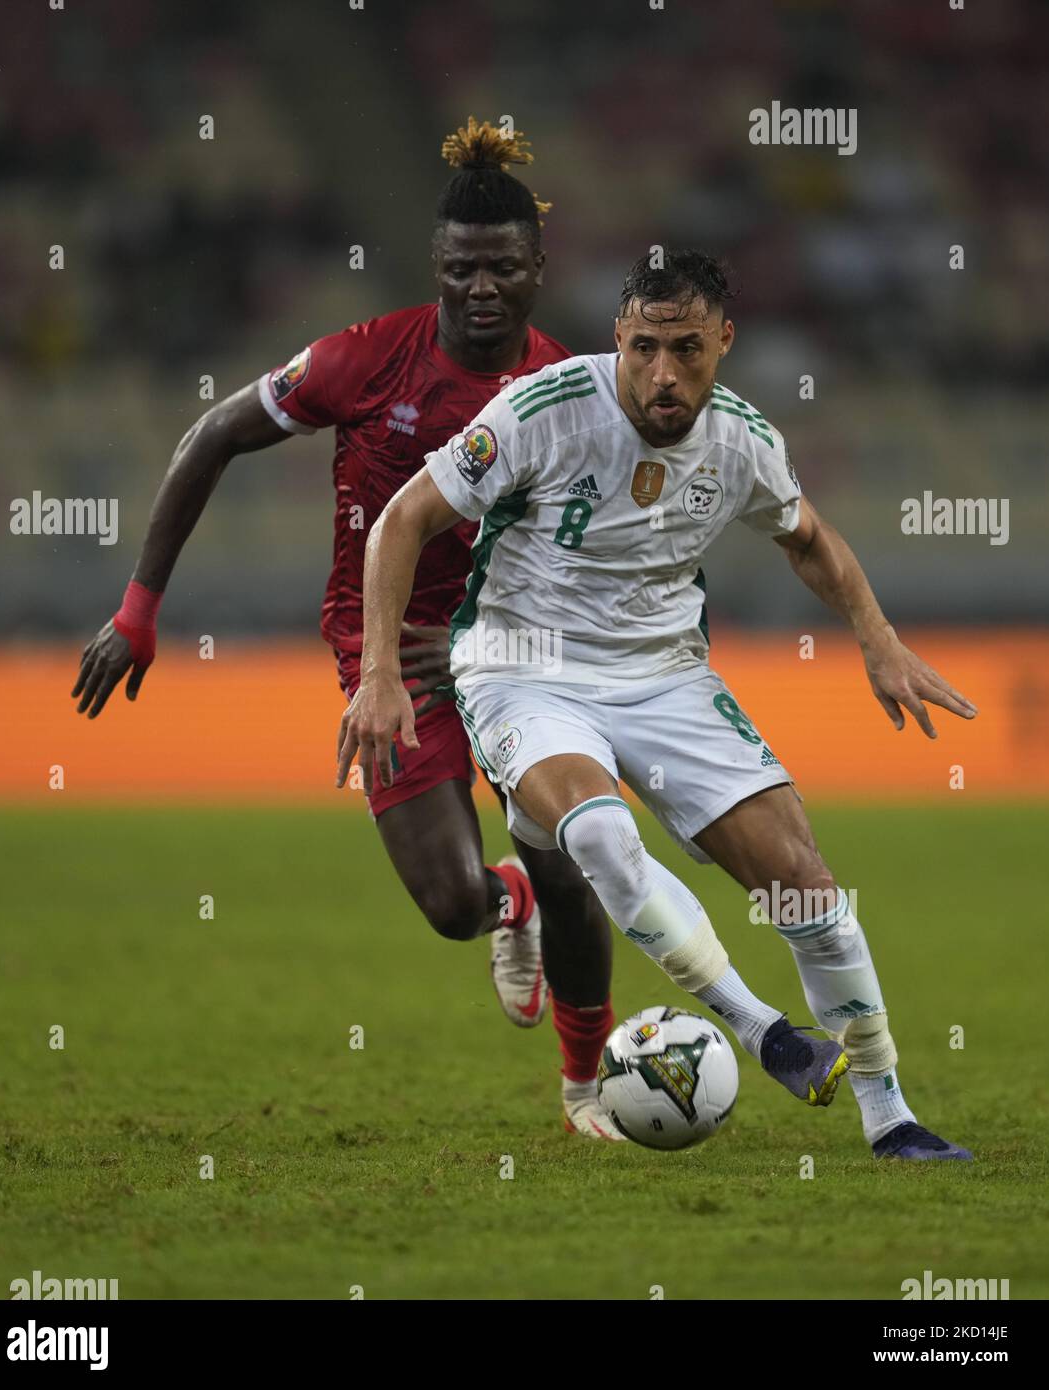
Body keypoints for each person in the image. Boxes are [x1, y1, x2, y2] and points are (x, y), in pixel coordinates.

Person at [338, 247, 976, 1159]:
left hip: (665, 676)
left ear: (724, 341)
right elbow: (404, 517)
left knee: (809, 894)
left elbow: (806, 537)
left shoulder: (743, 440)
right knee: (598, 833)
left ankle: (889, 1115)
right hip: (525, 668)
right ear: (618, 340)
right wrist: (378, 675)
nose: (661, 374)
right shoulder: (540, 411)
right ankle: (763, 1032)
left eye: (684, 349)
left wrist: (876, 640)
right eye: (642, 348)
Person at [71, 119, 619, 1139]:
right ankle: (508, 906)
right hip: (387, 660)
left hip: (520, 658)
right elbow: (212, 434)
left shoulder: (573, 393)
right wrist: (139, 609)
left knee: (573, 862)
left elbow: (601, 553)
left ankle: (588, 1085)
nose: (482, 288)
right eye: (463, 269)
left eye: (503, 267)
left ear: (539, 267)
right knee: (456, 905)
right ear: (437, 268)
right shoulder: (367, 359)